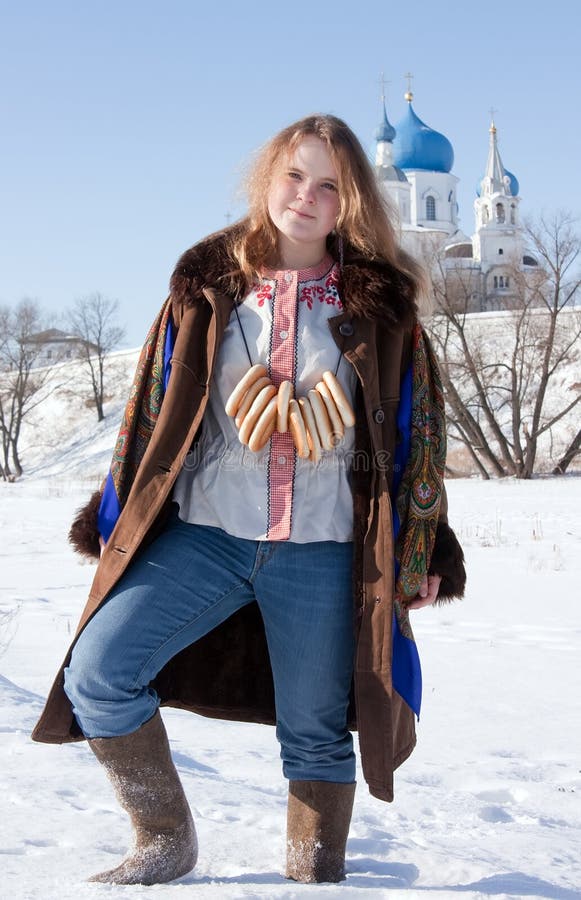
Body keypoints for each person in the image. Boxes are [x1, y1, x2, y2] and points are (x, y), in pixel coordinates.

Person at [31, 114, 466, 886]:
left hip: (324, 550)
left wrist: (429, 544)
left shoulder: (381, 313)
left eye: (328, 186)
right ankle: (163, 838)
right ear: (267, 181)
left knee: (317, 731)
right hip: (206, 535)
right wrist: (114, 516)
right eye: (293, 176)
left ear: (349, 204)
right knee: (97, 671)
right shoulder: (203, 293)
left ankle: (313, 873)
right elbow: (148, 416)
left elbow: (413, 434)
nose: (306, 196)